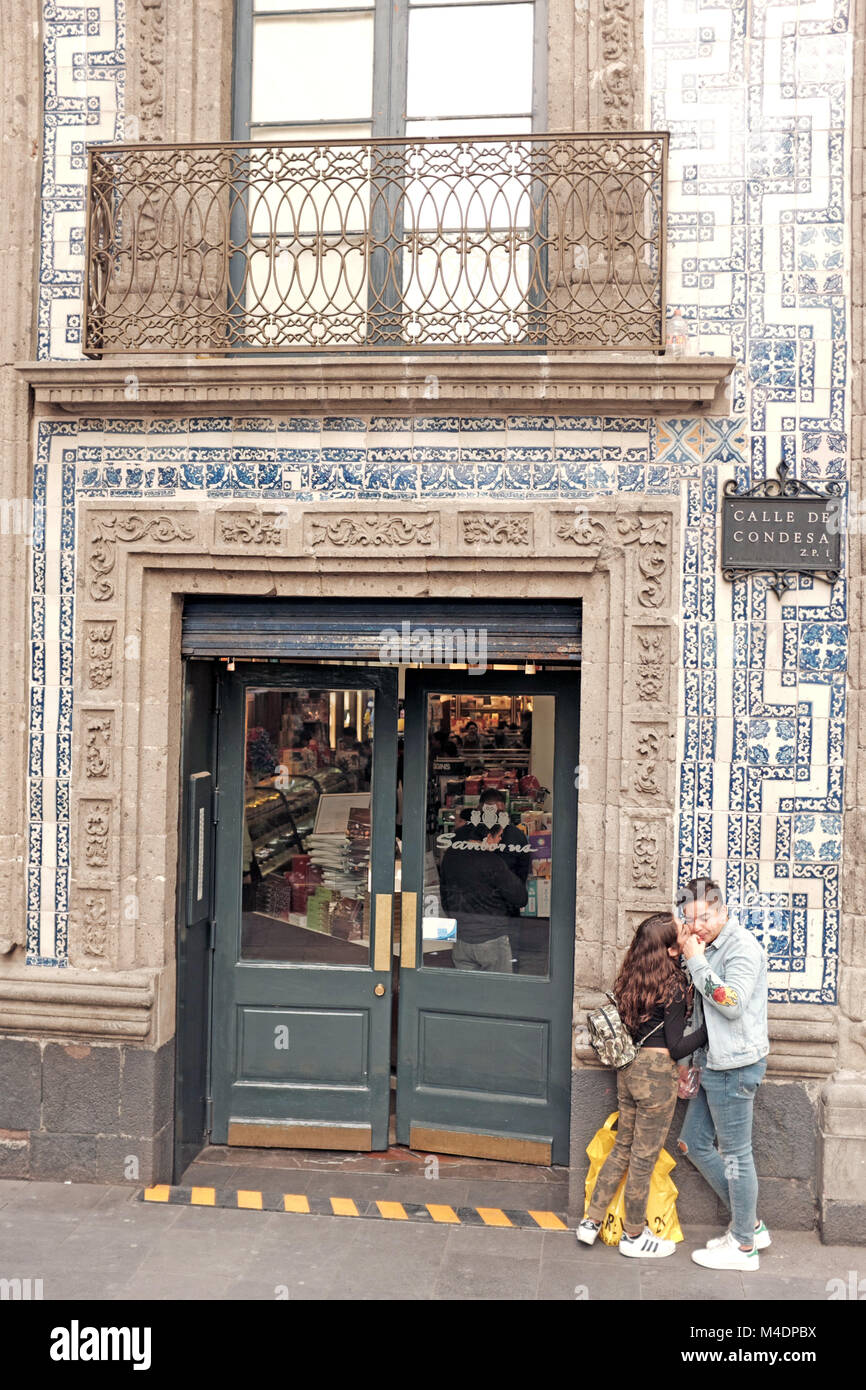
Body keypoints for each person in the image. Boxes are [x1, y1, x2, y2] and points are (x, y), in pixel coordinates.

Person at [577, 912, 707, 1257]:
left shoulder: (631, 977)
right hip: (656, 1075)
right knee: (643, 1158)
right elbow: (678, 1047)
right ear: (670, 950)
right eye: (681, 931)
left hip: (629, 1069)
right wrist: (710, 1032)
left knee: (623, 1147)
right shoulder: (674, 985)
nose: (687, 931)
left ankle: (590, 1222)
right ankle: (634, 1235)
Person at [674, 878, 770, 1272]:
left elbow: (730, 1004)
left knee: (736, 1156)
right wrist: (687, 1064)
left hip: (736, 1067)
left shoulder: (741, 947)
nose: (697, 926)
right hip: (711, 1063)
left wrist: (695, 960)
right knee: (693, 1143)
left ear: (723, 910)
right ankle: (752, 1226)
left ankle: (744, 1245)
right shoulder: (706, 946)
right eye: (690, 919)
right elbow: (700, 1012)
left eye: (705, 917)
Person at [439, 820, 527, 971]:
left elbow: (445, 898)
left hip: (461, 940)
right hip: (492, 938)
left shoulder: (450, 856)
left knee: (468, 992)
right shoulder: (492, 861)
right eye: (499, 836)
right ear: (488, 836)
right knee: (497, 991)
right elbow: (520, 897)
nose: (500, 841)